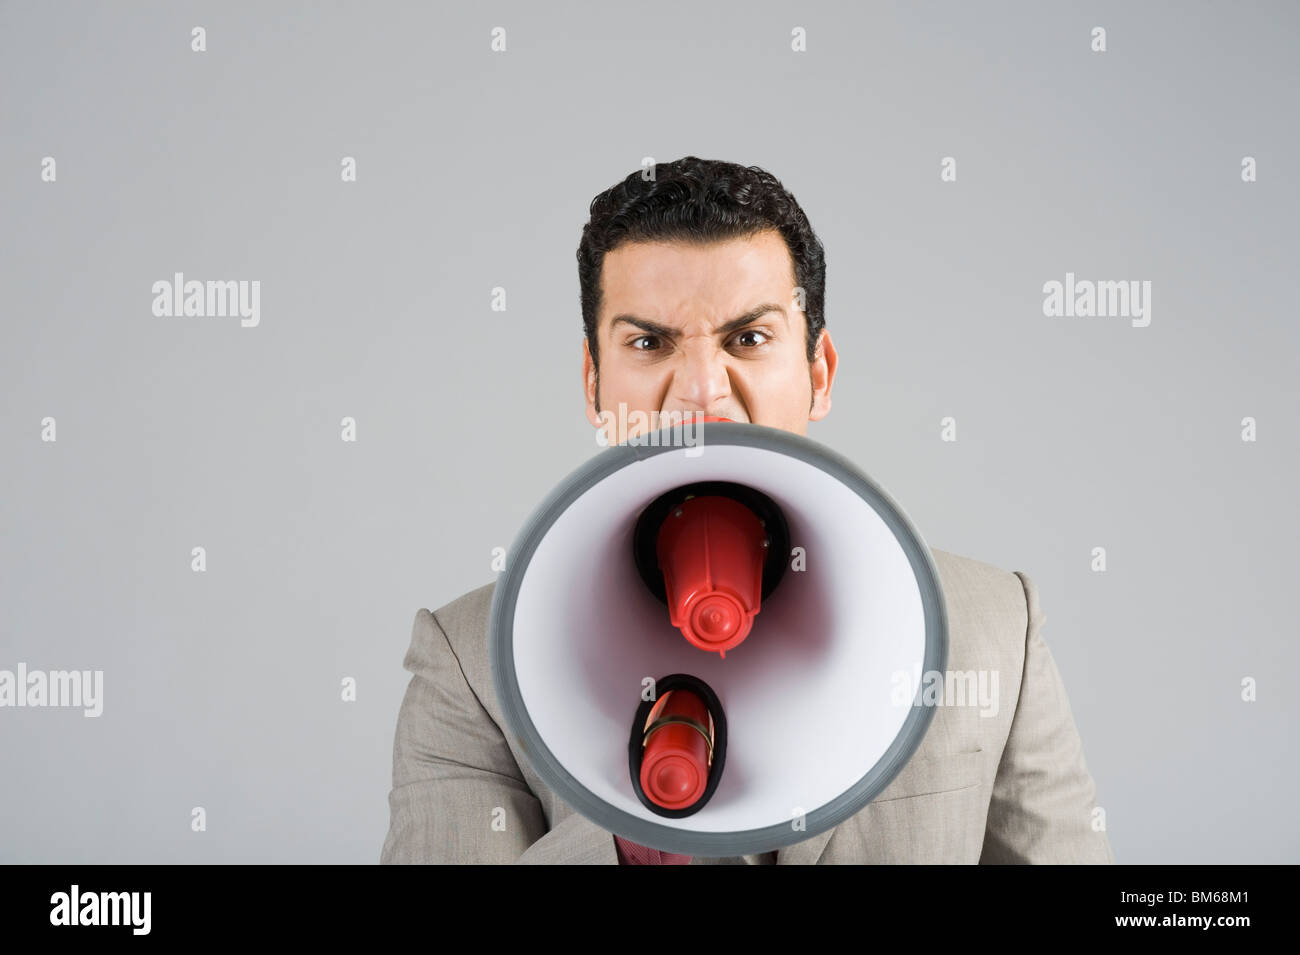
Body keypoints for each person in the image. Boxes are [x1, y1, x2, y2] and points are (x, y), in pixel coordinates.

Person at [380, 156, 1115, 864]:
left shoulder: (995, 629)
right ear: (593, 382)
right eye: (648, 341)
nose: (702, 390)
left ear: (818, 372)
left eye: (749, 338)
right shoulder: (472, 663)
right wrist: (623, 837)